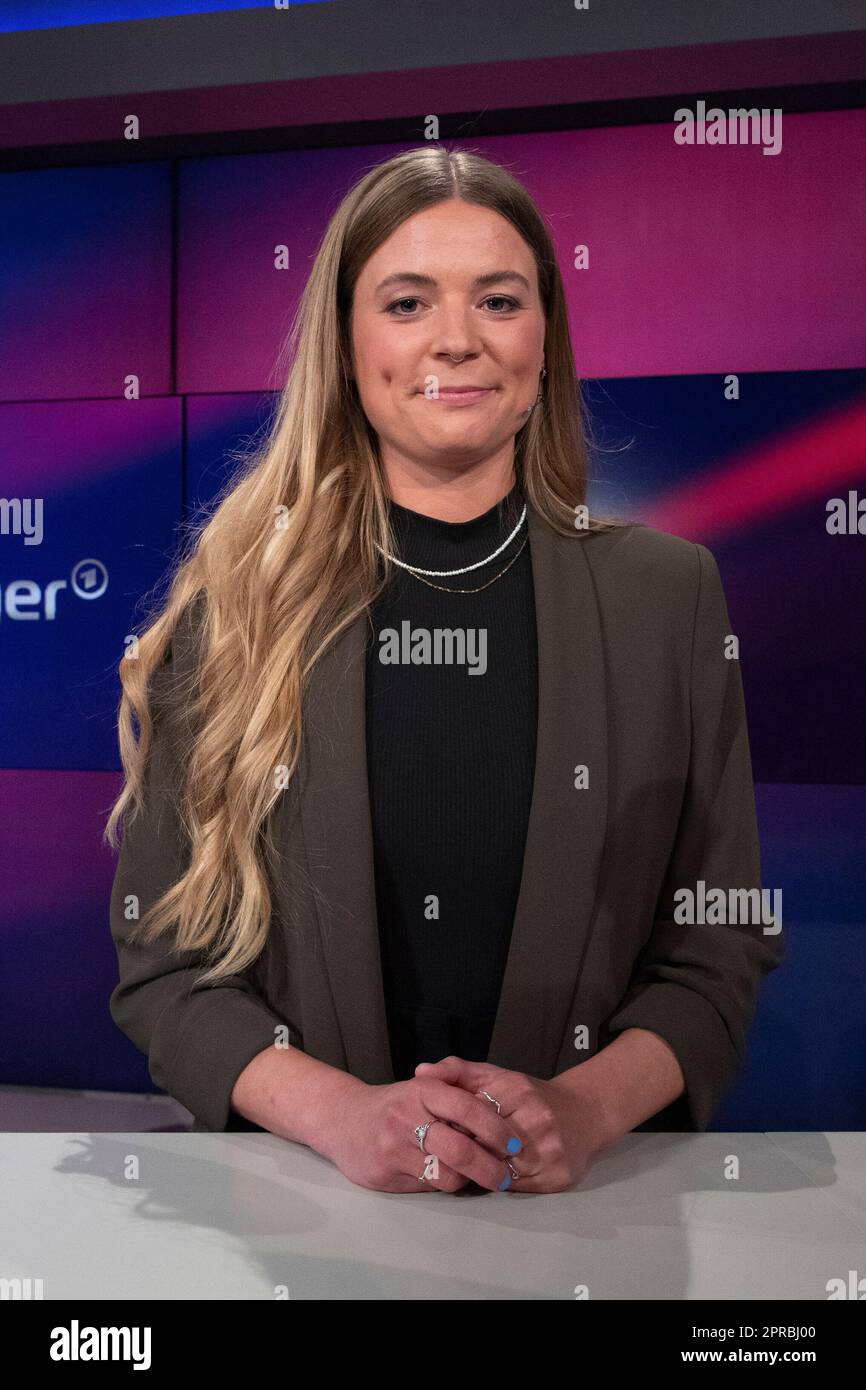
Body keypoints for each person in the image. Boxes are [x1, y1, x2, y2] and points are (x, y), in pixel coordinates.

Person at [106, 145, 783, 1195]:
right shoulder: (233, 610)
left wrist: (580, 1112)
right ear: (346, 340)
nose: (456, 339)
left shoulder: (668, 596)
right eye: (408, 301)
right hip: (307, 1224)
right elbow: (163, 966)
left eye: (498, 300)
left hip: (581, 1227)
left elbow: (718, 944)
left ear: (543, 338)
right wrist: (343, 1118)